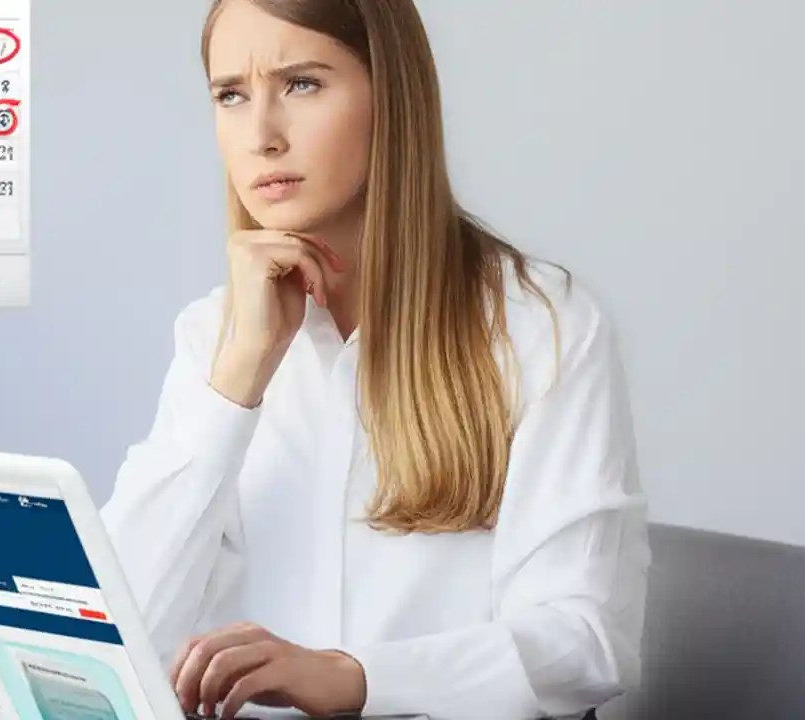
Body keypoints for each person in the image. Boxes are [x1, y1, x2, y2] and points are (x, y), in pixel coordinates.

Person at [99, 1, 651, 718]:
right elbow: (111, 634)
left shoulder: (538, 325)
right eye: (231, 94)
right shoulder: (215, 339)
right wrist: (237, 382)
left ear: (392, 95)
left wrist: (355, 677)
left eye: (302, 84)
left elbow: (586, 639)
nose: (261, 135)